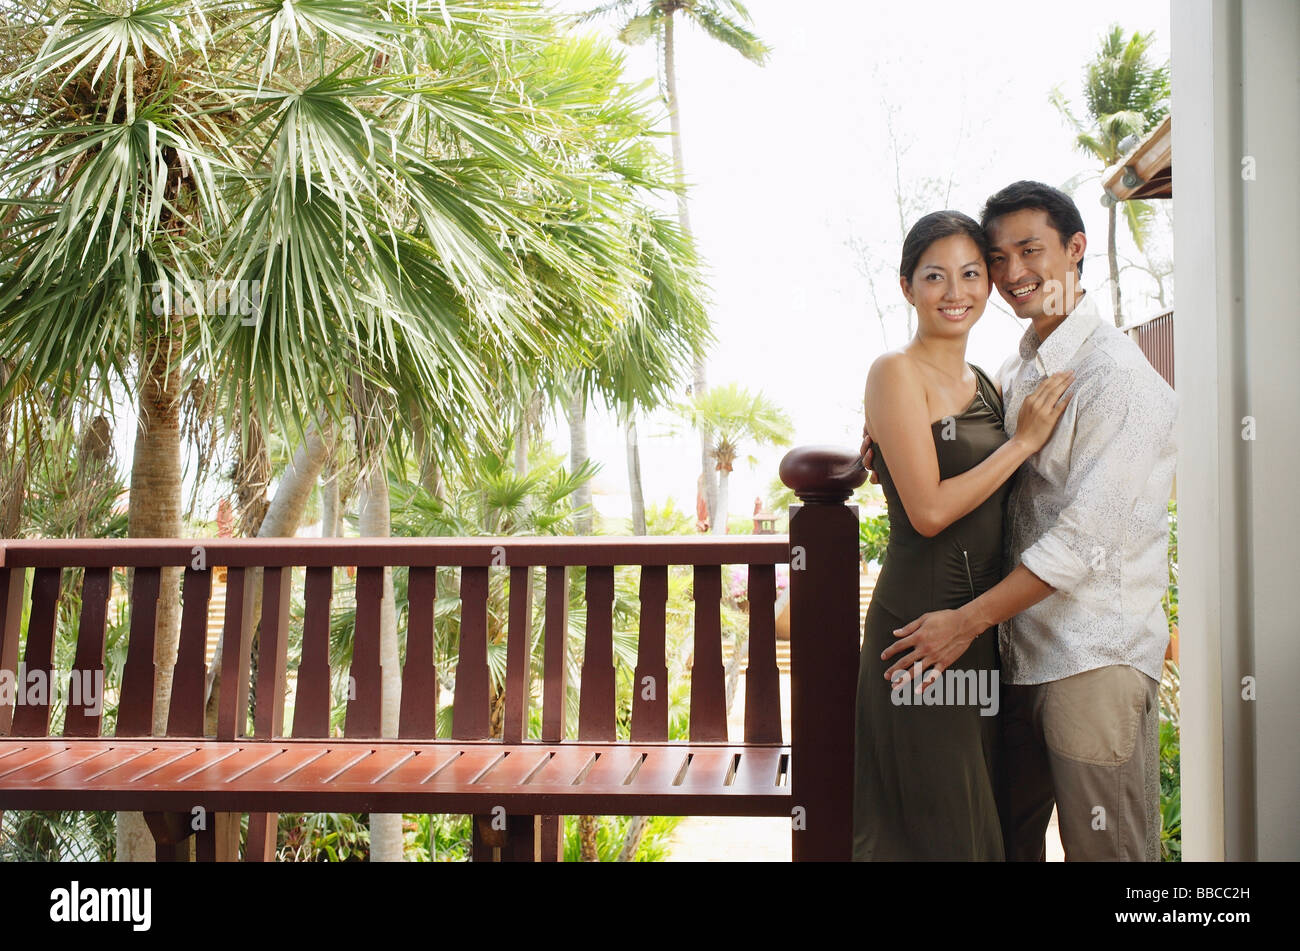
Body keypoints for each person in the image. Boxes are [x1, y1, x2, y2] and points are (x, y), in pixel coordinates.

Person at [865, 181, 1179, 862]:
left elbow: (1081, 545)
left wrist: (968, 619)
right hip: (1011, 656)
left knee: (1109, 855)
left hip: (1087, 660)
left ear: (1075, 250)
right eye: (998, 258)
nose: (1010, 274)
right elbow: (954, 465)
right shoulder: (1015, 370)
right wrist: (891, 444)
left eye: (1027, 251)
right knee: (1003, 845)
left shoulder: (1117, 380)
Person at [853, 210, 1074, 861]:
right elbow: (926, 510)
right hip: (920, 630)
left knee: (981, 821)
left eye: (972, 273)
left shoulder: (986, 381)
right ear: (906, 286)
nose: (957, 290)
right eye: (936, 275)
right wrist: (1022, 442)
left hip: (977, 634)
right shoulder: (895, 372)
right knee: (936, 826)